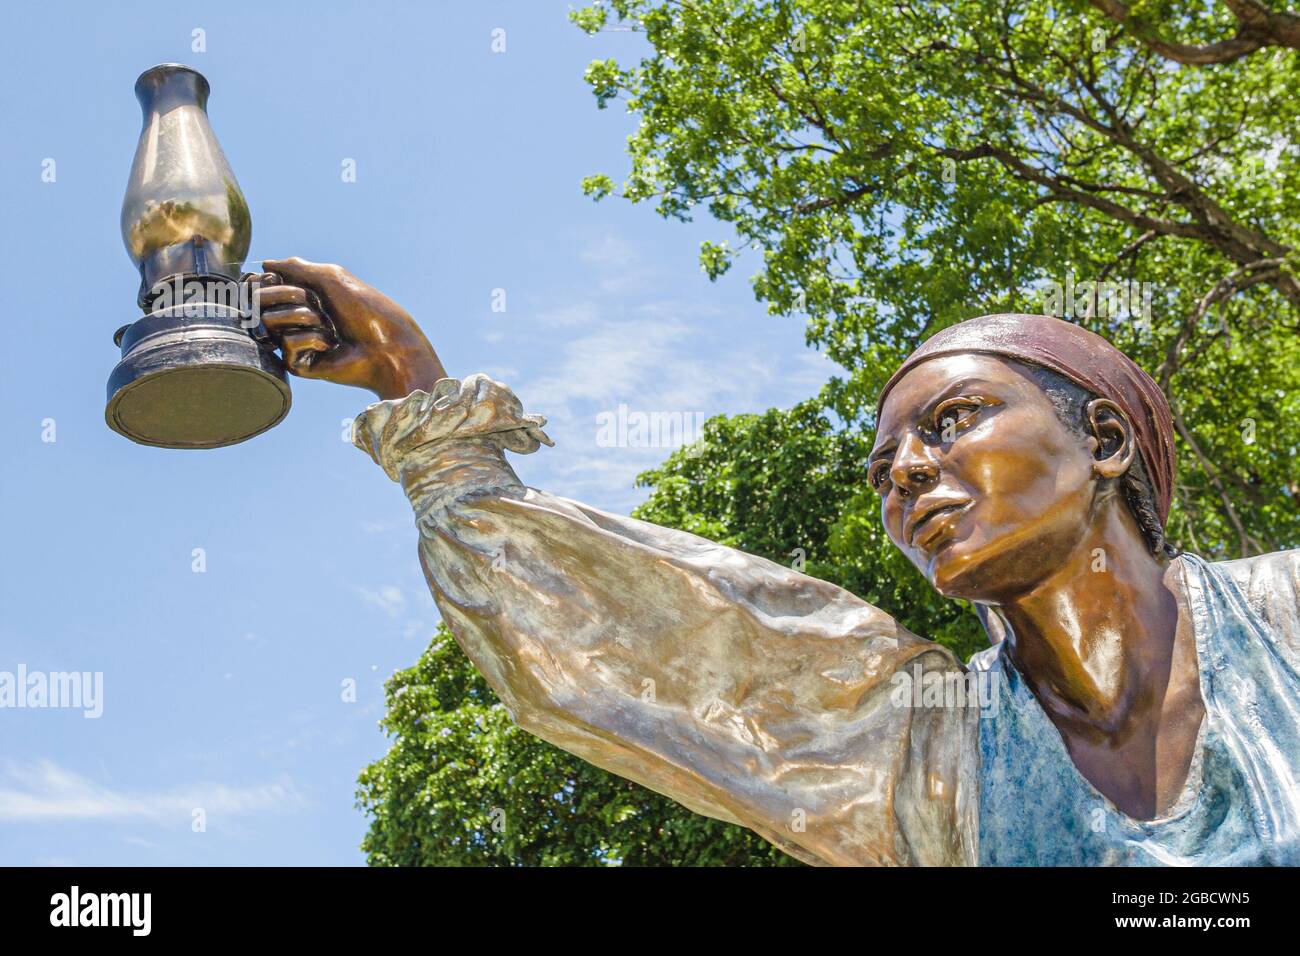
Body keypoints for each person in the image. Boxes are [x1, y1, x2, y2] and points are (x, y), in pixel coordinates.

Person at [250, 258, 1300, 866]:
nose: (907, 474)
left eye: (955, 420)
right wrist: (413, 388)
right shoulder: (936, 758)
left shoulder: (1283, 618)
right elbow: (646, 640)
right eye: (884, 465)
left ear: (1103, 439)